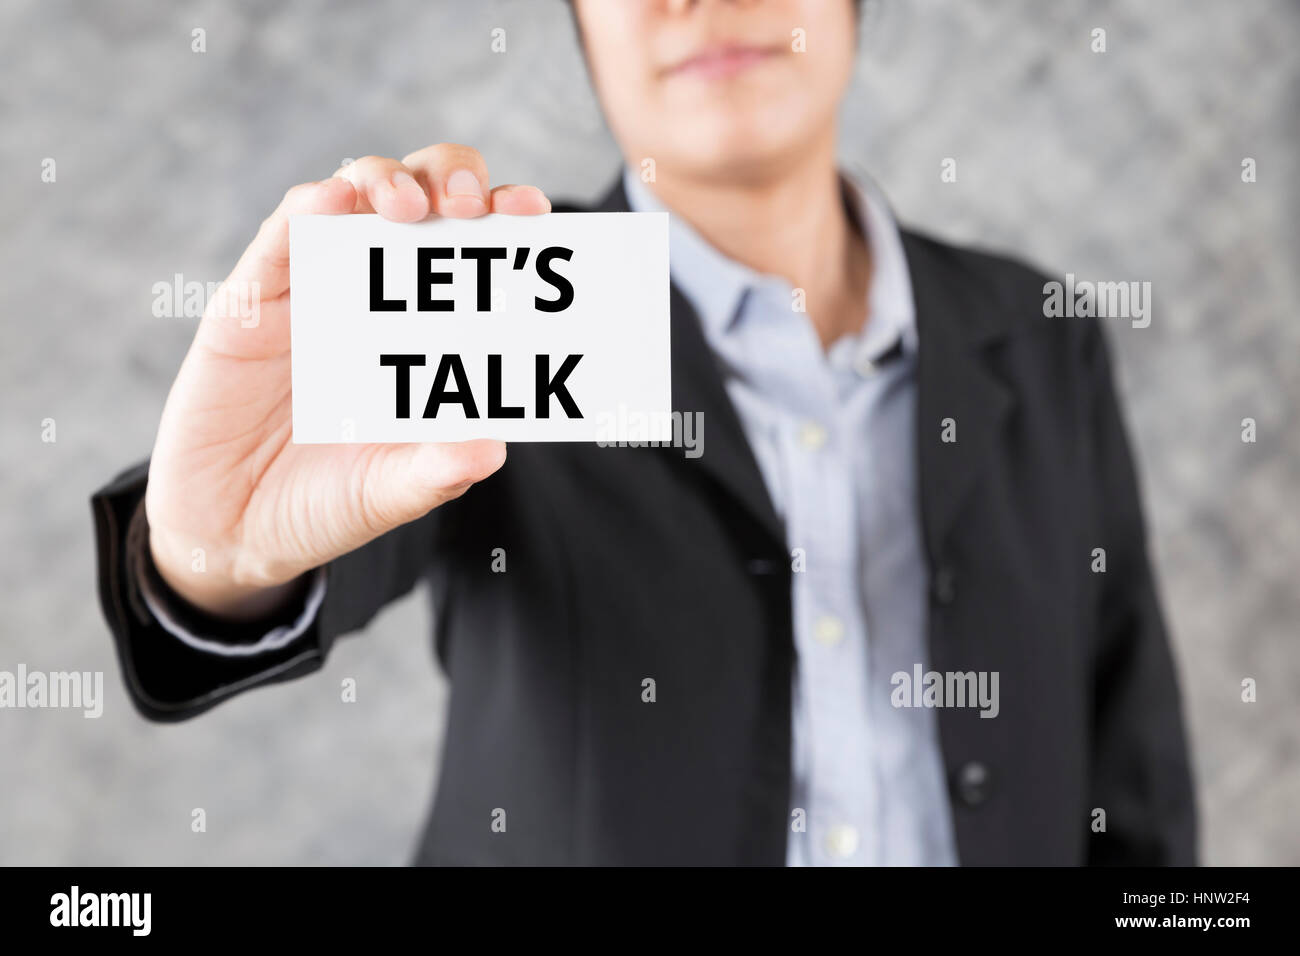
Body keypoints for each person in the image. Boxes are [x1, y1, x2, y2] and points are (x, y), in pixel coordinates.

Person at [91, 0, 1196, 865]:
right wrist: (208, 557)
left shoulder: (1036, 337)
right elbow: (291, 558)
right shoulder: (499, 296)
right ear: (581, 26)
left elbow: (1130, 767)